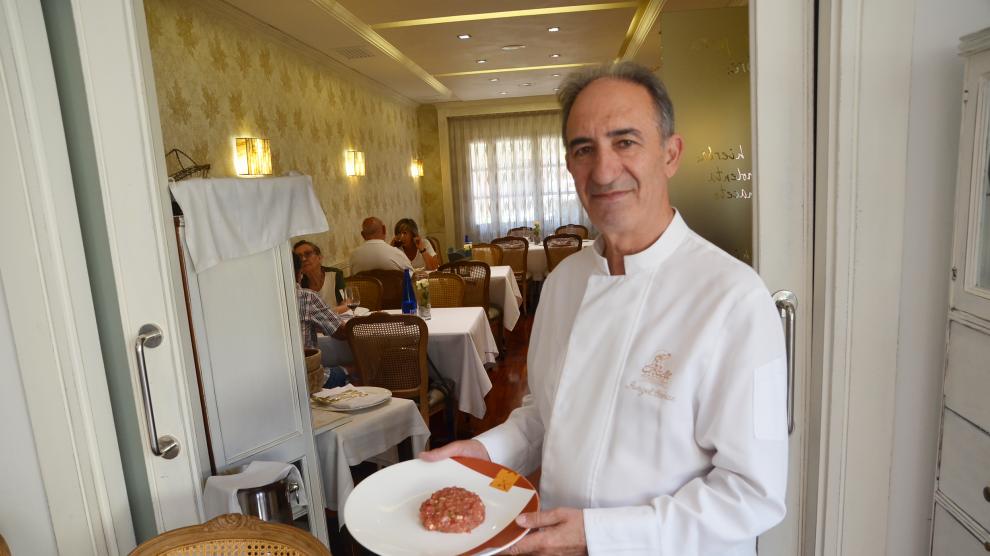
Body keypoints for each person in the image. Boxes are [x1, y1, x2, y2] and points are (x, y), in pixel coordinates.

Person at [421, 61, 788, 555]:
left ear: (671, 154)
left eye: (625, 142)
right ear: (569, 166)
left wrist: (599, 536)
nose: (604, 170)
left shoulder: (733, 297)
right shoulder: (563, 284)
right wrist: (484, 451)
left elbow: (752, 494)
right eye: (583, 149)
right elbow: (544, 415)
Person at [293, 253, 349, 388]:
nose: (305, 258)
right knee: (354, 367)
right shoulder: (306, 297)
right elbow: (342, 333)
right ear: (300, 273)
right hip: (308, 381)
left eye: (308, 254)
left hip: (274, 381)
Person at [292, 239, 347, 311]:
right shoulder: (297, 283)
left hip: (339, 317)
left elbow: (346, 302)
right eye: (299, 257)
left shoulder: (334, 274)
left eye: (308, 254)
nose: (303, 259)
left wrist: (324, 313)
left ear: (319, 257)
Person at [349, 216, 413, 274]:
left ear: (363, 235)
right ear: (384, 229)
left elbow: (353, 280)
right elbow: (412, 277)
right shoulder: (396, 253)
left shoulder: (354, 257)